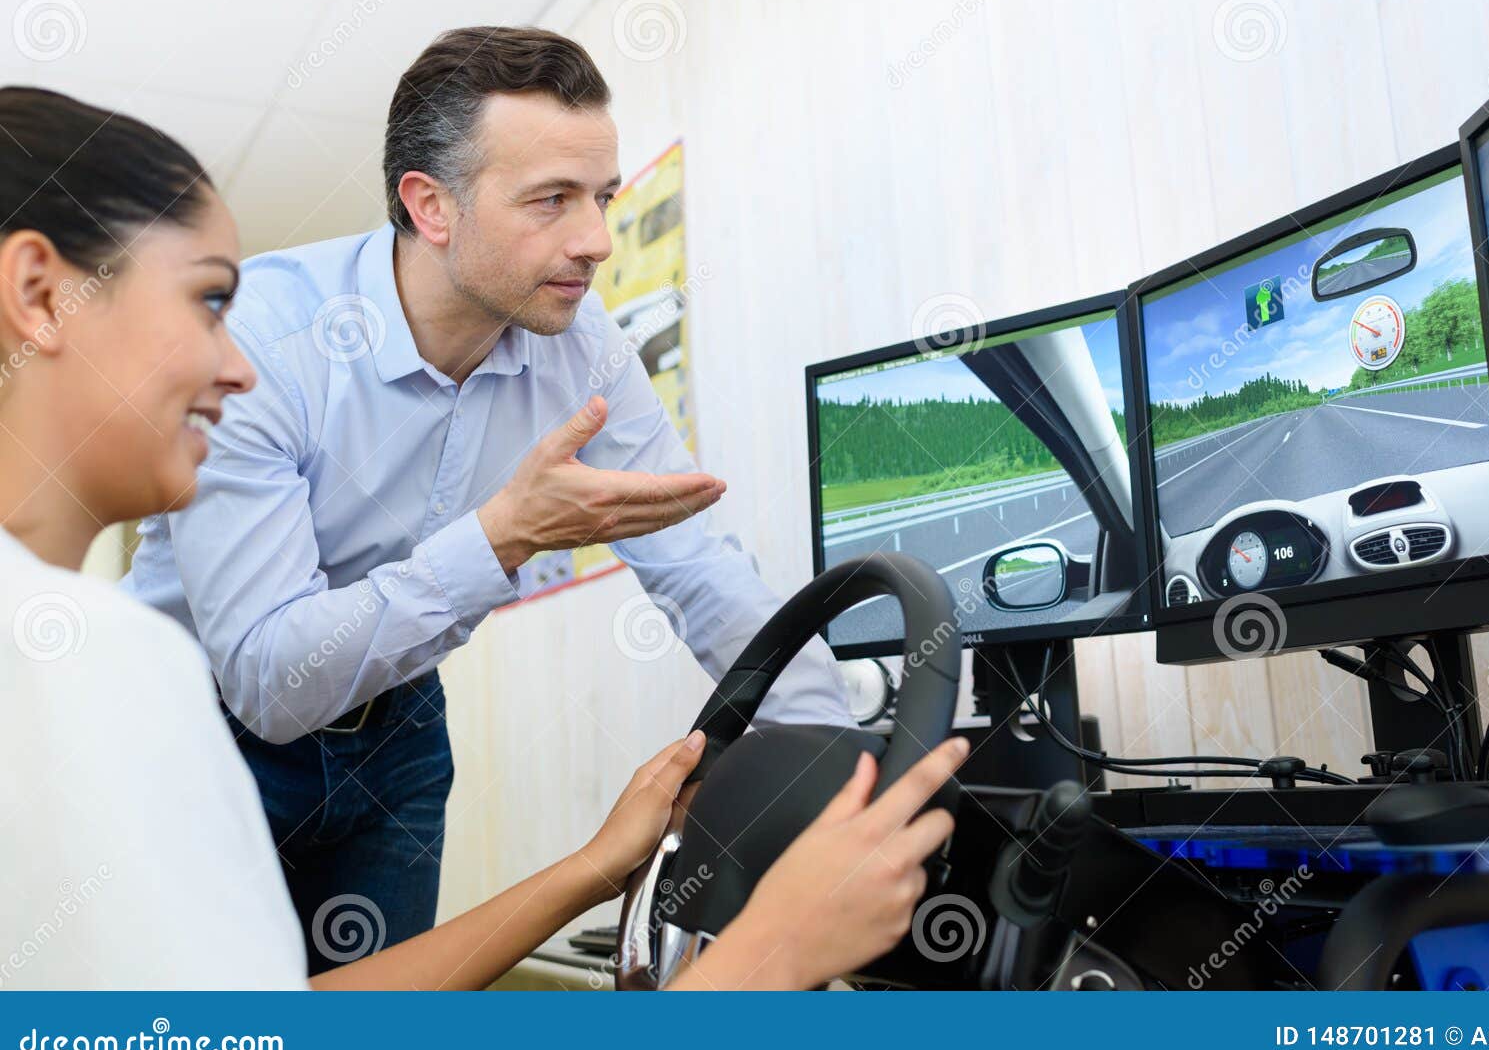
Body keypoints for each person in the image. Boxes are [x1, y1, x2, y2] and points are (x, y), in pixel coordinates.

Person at [0, 86, 966, 990]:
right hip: (228, 703)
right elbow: (271, 686)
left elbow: (701, 566)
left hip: (394, 719)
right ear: (431, 206)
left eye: (603, 198)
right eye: (551, 199)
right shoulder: (277, 347)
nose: (595, 239)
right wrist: (498, 539)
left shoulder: (585, 351)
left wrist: (846, 775)